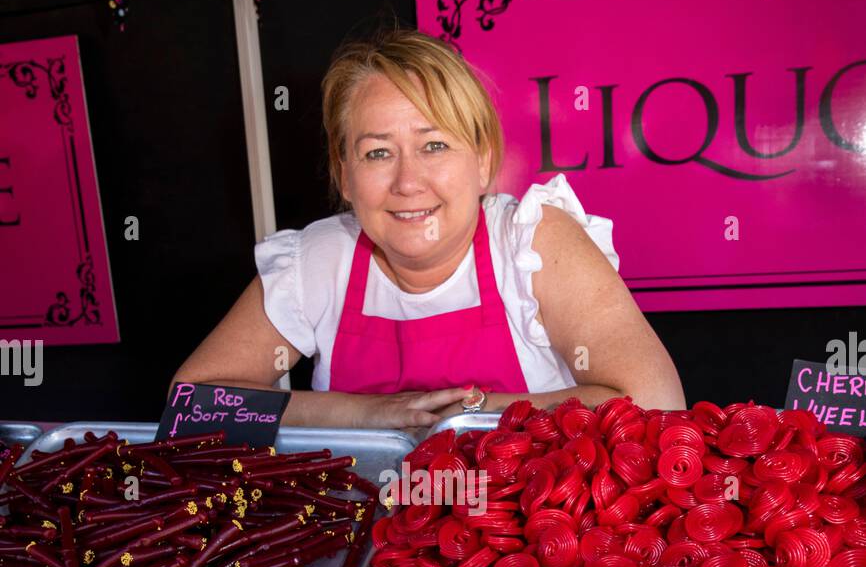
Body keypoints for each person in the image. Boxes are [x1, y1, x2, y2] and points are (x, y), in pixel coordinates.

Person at [172, 26, 686, 429]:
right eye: (377, 153)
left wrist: (462, 416)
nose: (408, 181)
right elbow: (196, 404)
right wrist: (368, 415)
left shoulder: (531, 241)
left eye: (434, 145)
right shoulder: (321, 259)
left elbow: (656, 403)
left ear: (483, 161)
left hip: (531, 546)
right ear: (344, 175)